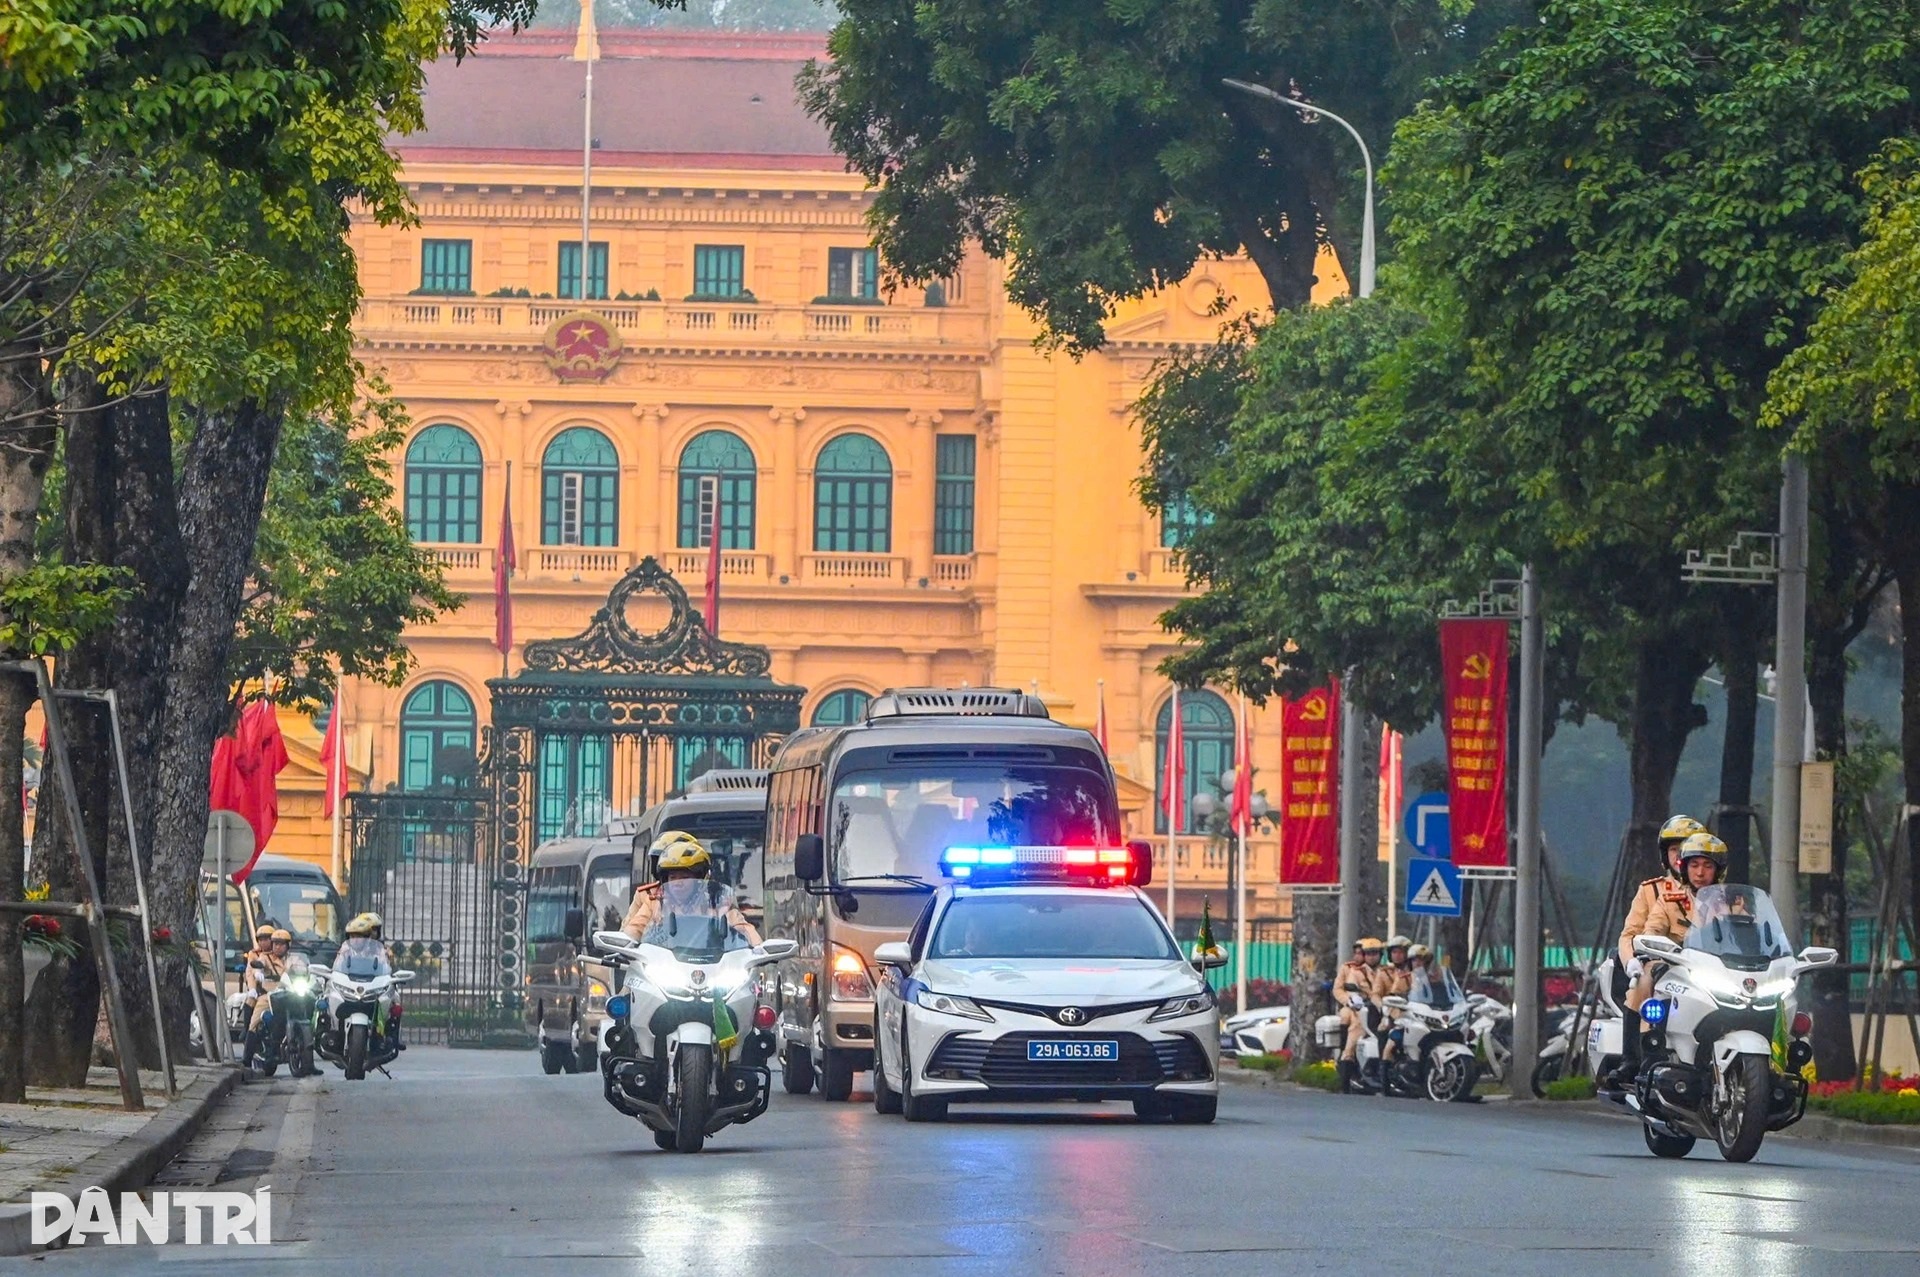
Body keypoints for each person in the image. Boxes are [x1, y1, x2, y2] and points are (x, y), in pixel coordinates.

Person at [1608, 831, 1726, 1087]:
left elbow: (1749, 934)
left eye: (1707, 866)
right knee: (1644, 980)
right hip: (1674, 966)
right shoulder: (1668, 899)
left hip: (1720, 970)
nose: (1700, 872)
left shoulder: (1731, 902)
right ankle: (1645, 1053)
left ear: (1718, 870)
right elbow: (1648, 932)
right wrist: (1646, 953)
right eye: (1694, 865)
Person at [621, 831, 762, 946]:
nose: (677, 883)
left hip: (710, 966)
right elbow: (633, 929)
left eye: (684, 877)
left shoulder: (717, 900)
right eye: (672, 877)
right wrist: (625, 944)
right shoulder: (655, 901)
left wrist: (759, 948)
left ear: (700, 878)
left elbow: (743, 929)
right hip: (663, 967)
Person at [1332, 937, 1385, 1089]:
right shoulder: (1353, 971)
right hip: (1360, 1009)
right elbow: (1342, 990)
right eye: (1367, 953)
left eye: (1374, 953)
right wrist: (1350, 1001)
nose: (1369, 956)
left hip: (1382, 1010)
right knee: (1353, 1028)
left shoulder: (1386, 971)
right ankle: (1347, 1071)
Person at [241, 929, 292, 1072]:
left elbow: (303, 969)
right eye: (276, 943)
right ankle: (246, 1059)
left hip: (288, 994)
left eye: (281, 944)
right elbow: (253, 969)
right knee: (254, 1023)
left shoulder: (293, 958)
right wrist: (257, 974)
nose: (277, 947)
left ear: (288, 945)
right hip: (268, 995)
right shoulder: (264, 957)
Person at [335, 912, 392, 979]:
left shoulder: (379, 949)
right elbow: (337, 968)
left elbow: (384, 970)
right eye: (352, 937)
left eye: (359, 937)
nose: (374, 933)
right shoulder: (345, 949)